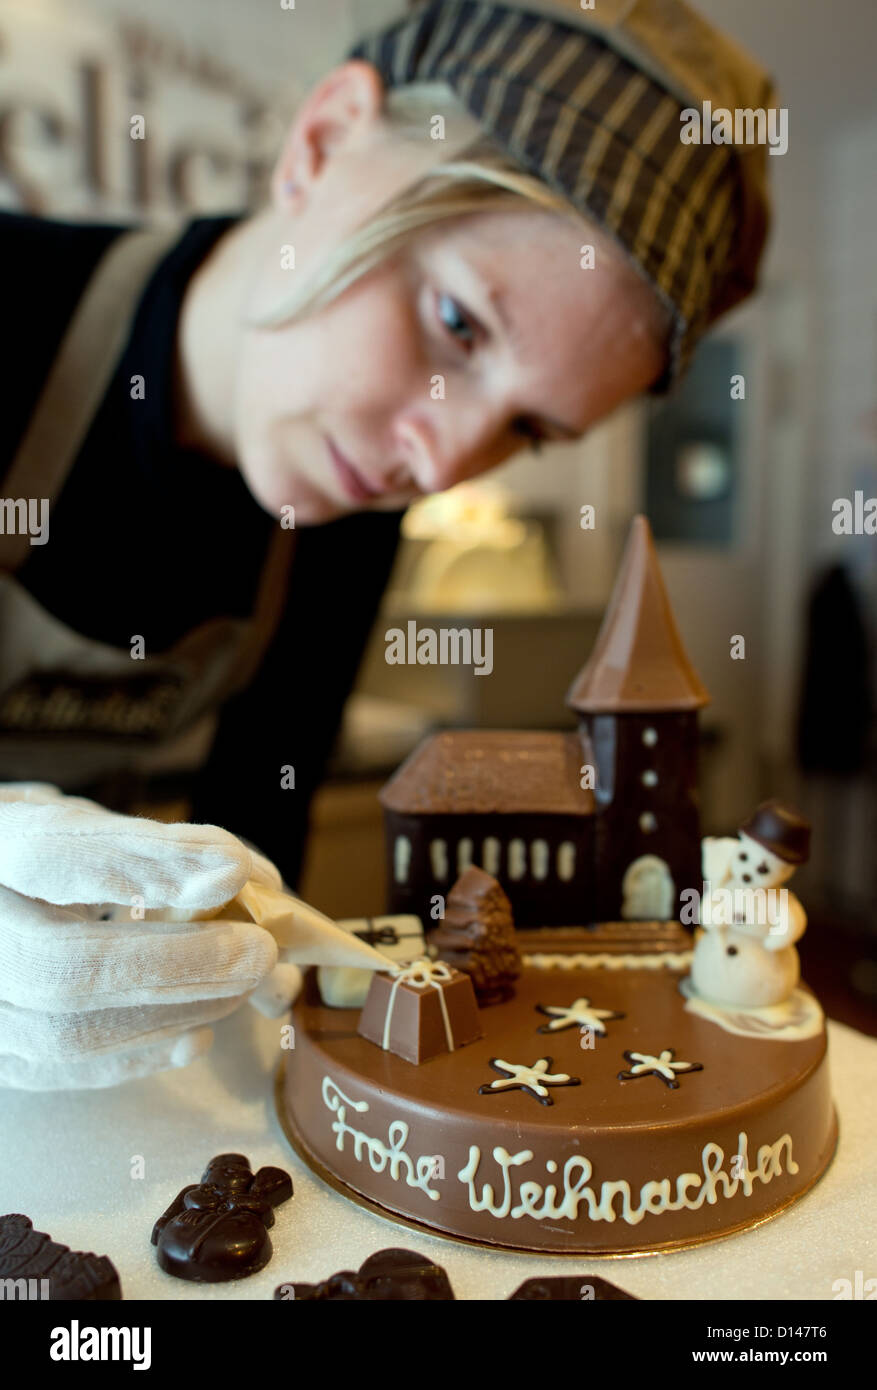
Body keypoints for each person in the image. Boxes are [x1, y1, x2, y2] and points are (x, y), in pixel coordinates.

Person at [0, 0, 778, 1087]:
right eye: (457, 321)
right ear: (321, 143)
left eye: (526, 429)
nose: (445, 457)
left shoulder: (343, 520)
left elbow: (259, 851)